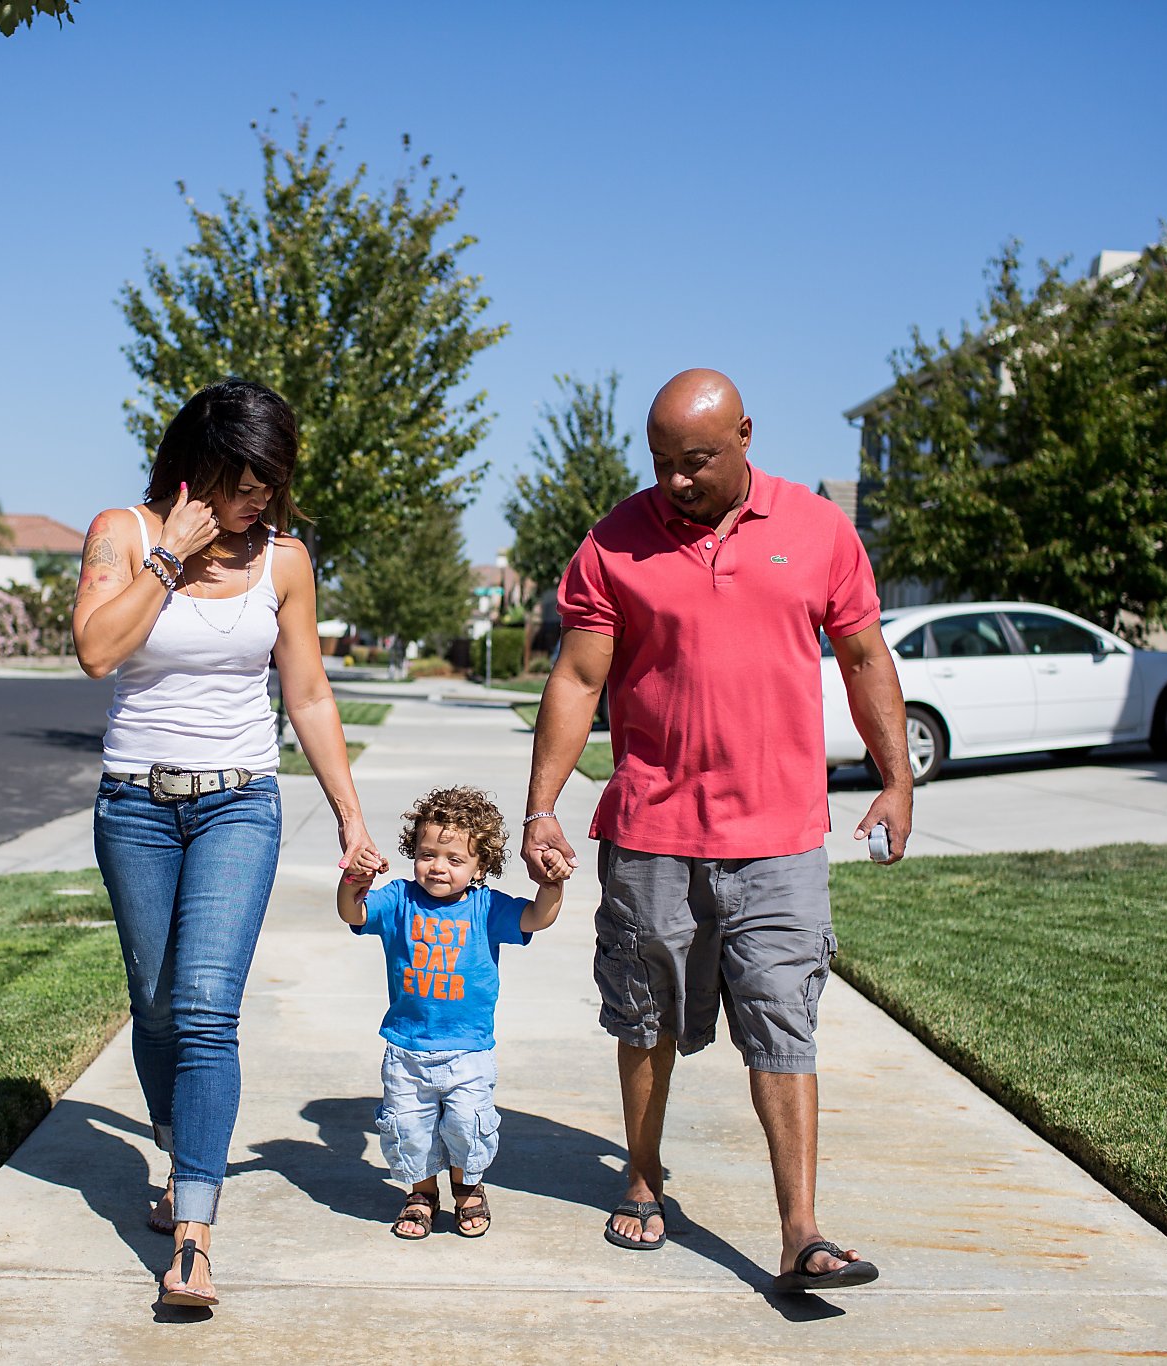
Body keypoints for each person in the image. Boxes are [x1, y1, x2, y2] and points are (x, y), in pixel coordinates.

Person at [519, 368, 912, 1293]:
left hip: (780, 834)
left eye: (694, 461)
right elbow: (578, 680)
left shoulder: (818, 530)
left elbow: (863, 657)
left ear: (744, 435)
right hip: (652, 826)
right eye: (660, 463)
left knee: (784, 1019)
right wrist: (542, 804)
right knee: (646, 1014)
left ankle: (802, 1232)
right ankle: (644, 1175)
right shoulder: (614, 541)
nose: (676, 481)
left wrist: (896, 781)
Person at [74, 378, 387, 1310]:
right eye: (245, 484)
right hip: (135, 807)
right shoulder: (122, 535)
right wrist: (166, 560)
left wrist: (349, 811)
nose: (261, 503)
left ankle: (194, 1236)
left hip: (238, 805)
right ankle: (178, 1149)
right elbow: (97, 651)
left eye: (271, 485)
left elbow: (310, 693)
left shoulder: (284, 561)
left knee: (208, 1006)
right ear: (198, 469)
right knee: (157, 1003)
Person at [339, 786, 565, 1239]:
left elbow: (539, 917)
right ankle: (421, 1193)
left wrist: (551, 883)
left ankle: (468, 1189)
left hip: (468, 1051)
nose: (438, 866)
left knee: (468, 1126)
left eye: (455, 859)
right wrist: (354, 883)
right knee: (409, 1129)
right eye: (427, 854)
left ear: (481, 866)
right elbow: (354, 914)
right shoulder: (399, 898)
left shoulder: (487, 907)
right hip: (406, 1047)